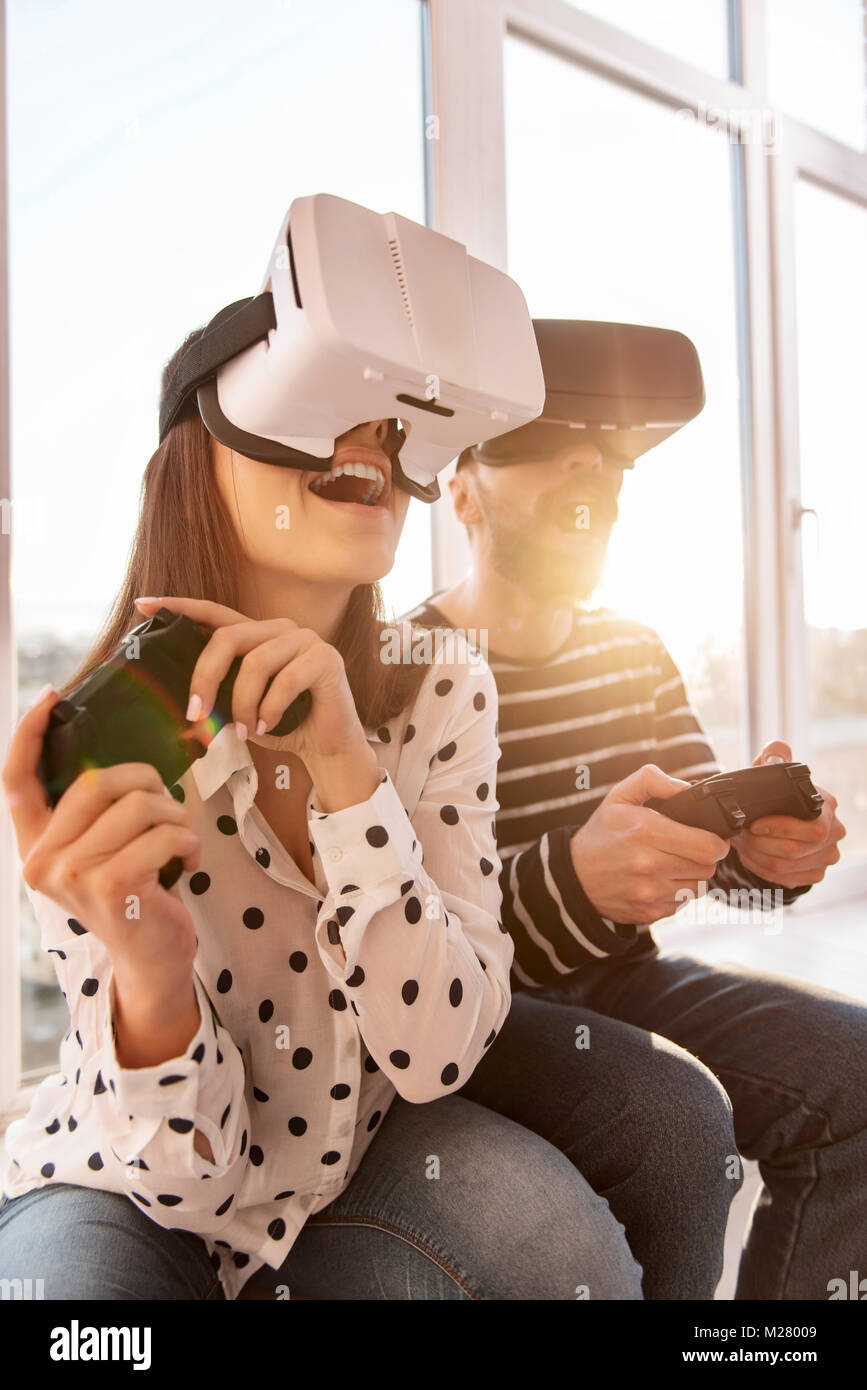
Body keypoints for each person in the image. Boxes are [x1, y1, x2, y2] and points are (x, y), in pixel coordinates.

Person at [0, 322, 656, 1303]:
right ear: (197, 458)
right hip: (124, 1181)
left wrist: (347, 770)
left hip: (346, 1174)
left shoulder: (441, 688)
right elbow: (182, 1183)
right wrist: (151, 969)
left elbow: (436, 1055)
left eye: (391, 418)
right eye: (315, 396)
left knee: (569, 1254)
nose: (374, 434)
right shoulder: (95, 747)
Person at [401, 418, 865, 1301]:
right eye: (544, 441)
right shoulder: (400, 669)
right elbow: (403, 943)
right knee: (670, 1117)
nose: (588, 463)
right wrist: (574, 883)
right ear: (461, 494)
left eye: (603, 450)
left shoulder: (632, 650)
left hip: (620, 979)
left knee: (857, 1068)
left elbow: (710, 858)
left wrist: (768, 856)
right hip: (473, 1019)